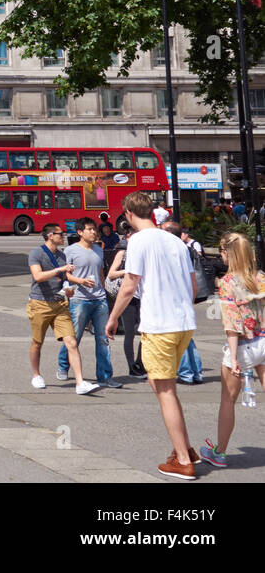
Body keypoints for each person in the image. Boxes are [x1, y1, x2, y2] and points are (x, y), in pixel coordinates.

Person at [105, 191, 201, 480]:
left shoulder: (138, 242)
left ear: (128, 214)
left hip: (159, 323)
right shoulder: (175, 240)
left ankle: (183, 460)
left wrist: (113, 318)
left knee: (165, 390)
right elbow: (192, 284)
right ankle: (184, 447)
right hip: (183, 321)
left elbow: (130, 284)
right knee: (163, 386)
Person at [199, 231, 265, 467]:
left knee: (228, 400)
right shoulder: (260, 277)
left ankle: (220, 452)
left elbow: (232, 325)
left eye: (222, 250)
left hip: (244, 346)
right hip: (264, 342)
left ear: (230, 253)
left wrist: (234, 357)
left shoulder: (227, 283)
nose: (221, 255)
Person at [26, 223, 101, 395]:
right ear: (50, 235)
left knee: (72, 342)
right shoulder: (36, 253)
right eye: (61, 233)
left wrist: (72, 285)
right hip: (40, 303)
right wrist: (59, 269)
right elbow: (38, 276)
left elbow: (64, 277)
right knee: (37, 342)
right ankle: (36, 374)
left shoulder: (61, 255)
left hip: (60, 304)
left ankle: (80, 382)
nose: (64, 236)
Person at [55, 218, 122, 388]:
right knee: (74, 337)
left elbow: (100, 273)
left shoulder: (99, 250)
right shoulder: (70, 251)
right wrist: (80, 281)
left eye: (94, 229)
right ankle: (63, 366)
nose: (93, 232)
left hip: (99, 298)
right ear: (80, 232)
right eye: (89, 229)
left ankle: (105, 376)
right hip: (79, 299)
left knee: (103, 338)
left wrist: (105, 291)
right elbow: (65, 274)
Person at [163, 221, 204, 385]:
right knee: (188, 338)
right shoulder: (184, 249)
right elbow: (192, 281)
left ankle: (186, 373)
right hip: (184, 299)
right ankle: (196, 372)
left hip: (174, 299)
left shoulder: (171, 251)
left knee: (179, 338)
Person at [107, 231, 145, 377]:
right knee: (129, 333)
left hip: (144, 297)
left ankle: (140, 363)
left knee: (146, 332)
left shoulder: (145, 253)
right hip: (128, 298)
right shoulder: (122, 254)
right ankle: (132, 367)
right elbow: (111, 274)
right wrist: (128, 271)